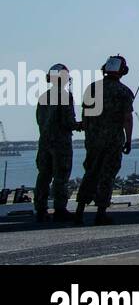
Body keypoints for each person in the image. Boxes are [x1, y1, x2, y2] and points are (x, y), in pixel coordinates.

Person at [75, 55, 134, 226]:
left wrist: (89, 134)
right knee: (107, 175)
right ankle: (101, 212)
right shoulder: (124, 92)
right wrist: (128, 141)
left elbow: (85, 117)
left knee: (90, 173)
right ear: (123, 71)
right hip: (113, 141)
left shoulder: (91, 89)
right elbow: (127, 119)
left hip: (93, 141)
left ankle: (79, 211)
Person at [35, 64, 79, 222]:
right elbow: (68, 122)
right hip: (61, 144)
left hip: (44, 142)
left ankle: (41, 209)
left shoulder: (43, 97)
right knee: (61, 177)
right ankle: (60, 209)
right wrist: (82, 125)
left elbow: (40, 121)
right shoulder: (65, 96)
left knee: (43, 176)